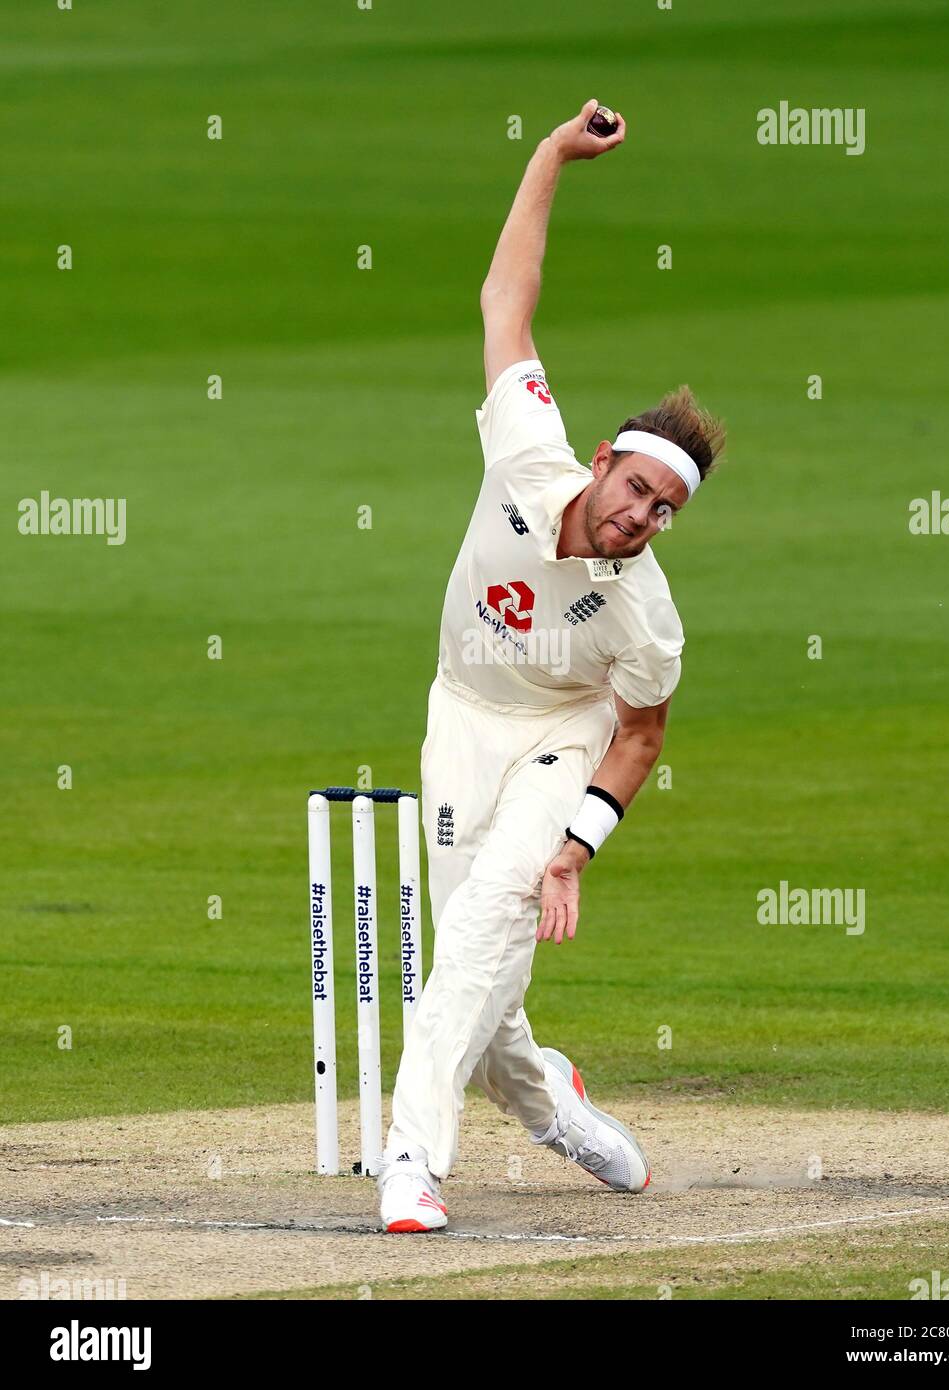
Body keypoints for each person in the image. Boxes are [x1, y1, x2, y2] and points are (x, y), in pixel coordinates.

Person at [379, 99, 726, 1232]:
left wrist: (574, 843)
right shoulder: (526, 447)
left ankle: (408, 1164)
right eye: (635, 488)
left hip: (560, 740)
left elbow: (640, 735)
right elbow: (503, 303)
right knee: (473, 981)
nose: (639, 517)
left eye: (663, 510)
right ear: (599, 460)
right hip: (459, 714)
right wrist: (547, 156)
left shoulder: (646, 616)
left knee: (481, 928)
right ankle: (554, 1106)